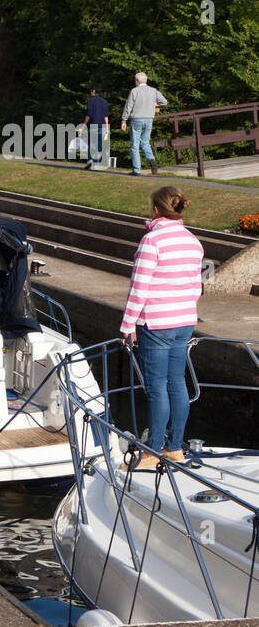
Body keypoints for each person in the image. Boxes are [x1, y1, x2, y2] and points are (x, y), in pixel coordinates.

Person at [120, 186, 203, 468]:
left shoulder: (151, 240)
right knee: (177, 384)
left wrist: (128, 325)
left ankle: (151, 451)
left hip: (156, 323)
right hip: (184, 321)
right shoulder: (193, 241)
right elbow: (196, 287)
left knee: (156, 388)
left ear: (156, 209)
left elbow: (138, 289)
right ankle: (175, 447)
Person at [120, 71, 167, 175]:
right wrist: (156, 106)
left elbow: (128, 107)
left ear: (138, 81)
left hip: (136, 120)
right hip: (149, 119)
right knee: (145, 142)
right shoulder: (153, 91)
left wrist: (124, 120)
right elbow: (164, 102)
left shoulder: (134, 91)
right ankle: (151, 159)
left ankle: (137, 170)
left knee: (135, 146)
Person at [81, 85, 109, 170]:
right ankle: (96, 164)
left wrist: (83, 126)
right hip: (103, 126)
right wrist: (107, 129)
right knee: (99, 146)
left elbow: (89, 114)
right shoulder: (104, 102)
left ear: (93, 91)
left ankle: (90, 160)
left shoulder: (91, 101)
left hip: (93, 125)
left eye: (90, 91)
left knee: (89, 144)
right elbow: (106, 116)